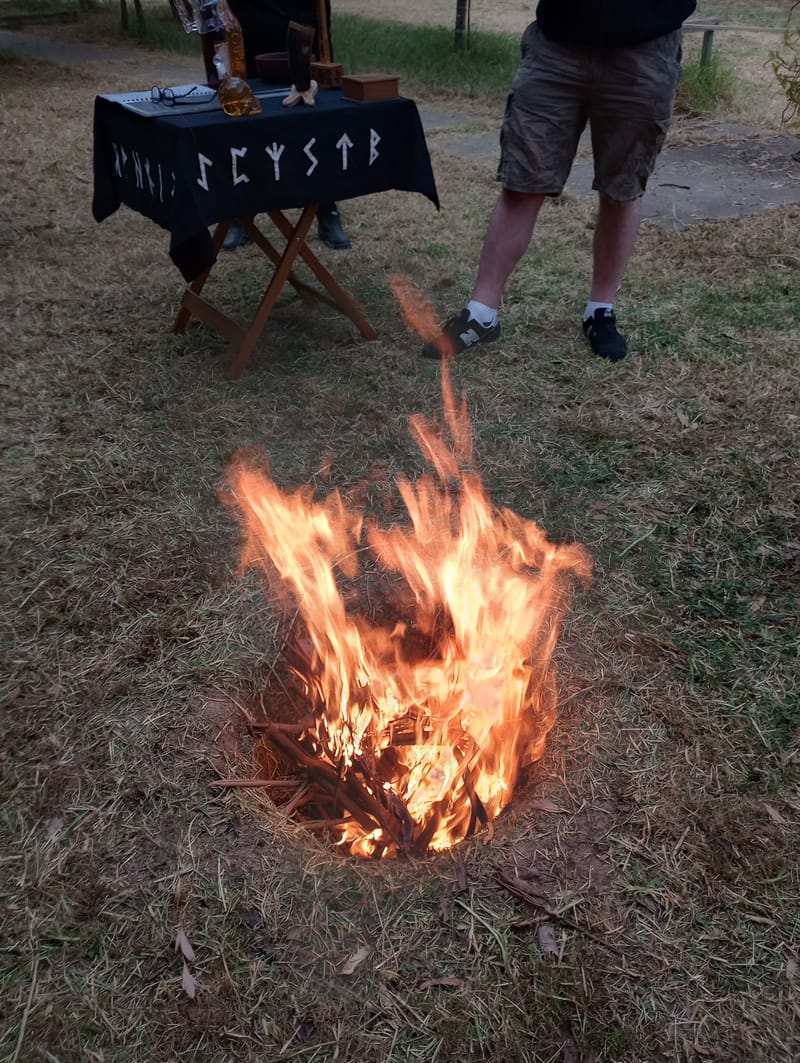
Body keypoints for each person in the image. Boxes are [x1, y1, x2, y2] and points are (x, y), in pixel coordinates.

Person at [422, 0, 697, 363]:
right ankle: (481, 314)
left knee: (622, 188)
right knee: (523, 181)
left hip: (644, 49)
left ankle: (600, 310)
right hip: (556, 44)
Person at [223, 0, 351, 251]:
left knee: (315, 114)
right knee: (248, 111)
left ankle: (325, 207)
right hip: (249, 13)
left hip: (304, 9)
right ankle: (240, 212)